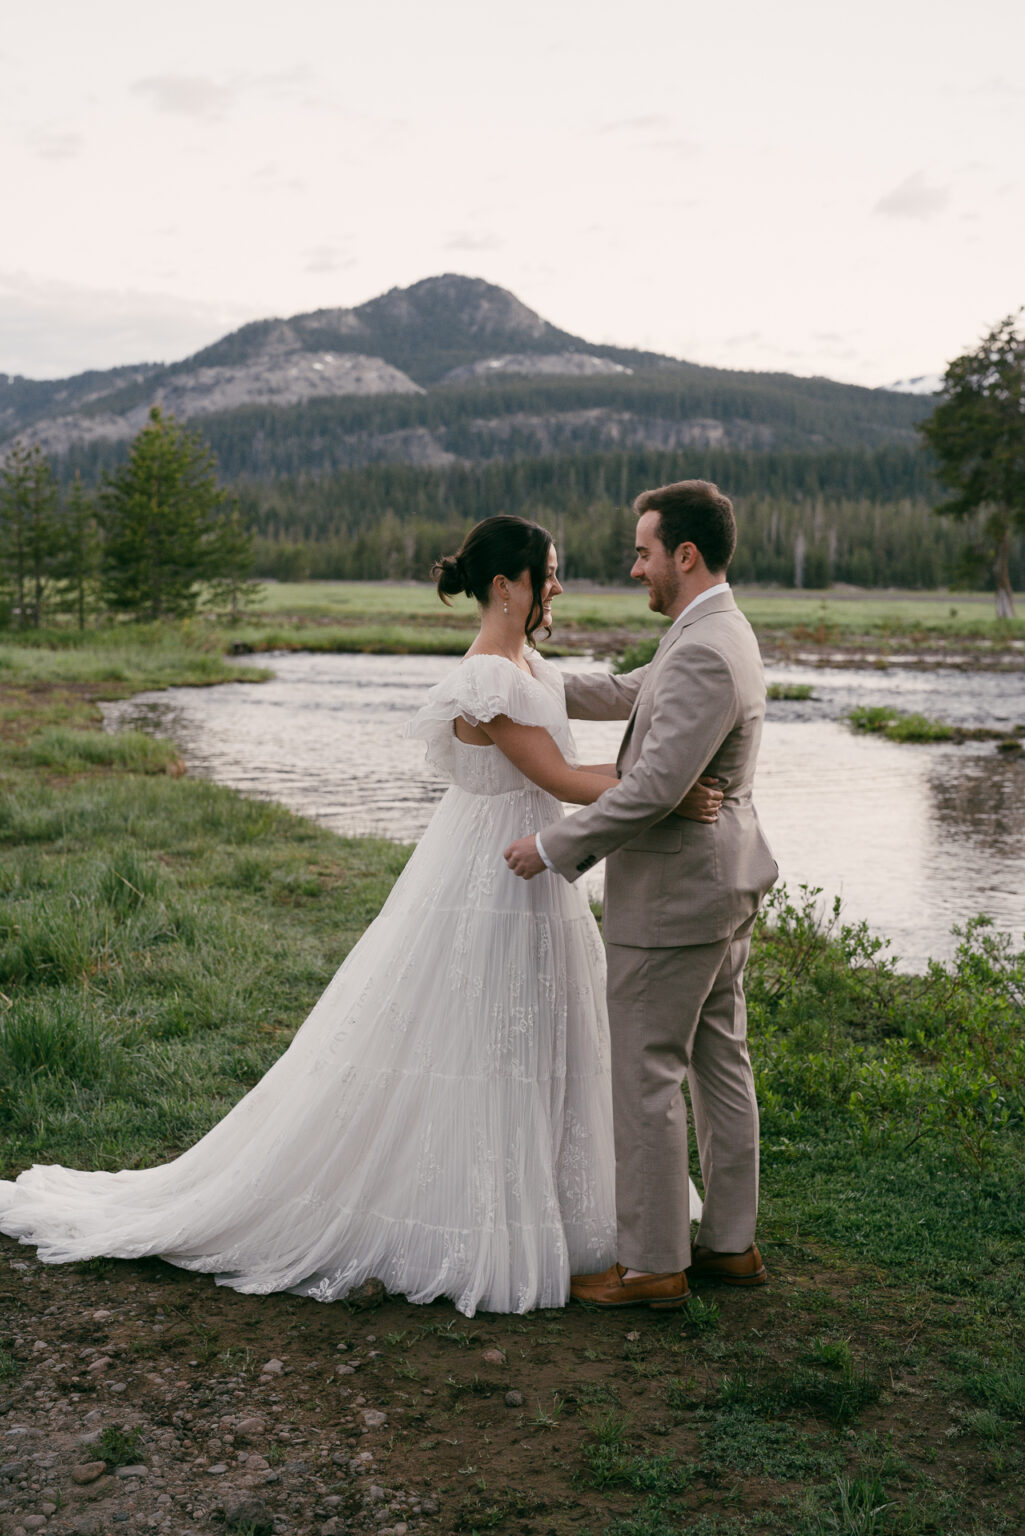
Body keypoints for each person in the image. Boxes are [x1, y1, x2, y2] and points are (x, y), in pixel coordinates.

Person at [0, 514, 719, 1318]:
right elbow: (555, 773)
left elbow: (583, 743)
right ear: (505, 585)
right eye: (547, 572)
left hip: (535, 863)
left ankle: (560, 1207)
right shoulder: (486, 676)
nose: (557, 585)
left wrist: (664, 735)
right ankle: (462, 1216)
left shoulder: (528, 661)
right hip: (492, 868)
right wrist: (667, 789)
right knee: (482, 1032)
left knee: (543, 1031)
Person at [505, 481, 778, 1310]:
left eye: (643, 552)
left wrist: (556, 845)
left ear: (683, 556)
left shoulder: (701, 645)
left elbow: (656, 782)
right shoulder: (711, 628)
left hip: (675, 898)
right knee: (719, 1063)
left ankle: (653, 1264)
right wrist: (524, 672)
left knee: (647, 1075)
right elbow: (630, 695)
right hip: (719, 886)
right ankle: (728, 1245)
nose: (636, 567)